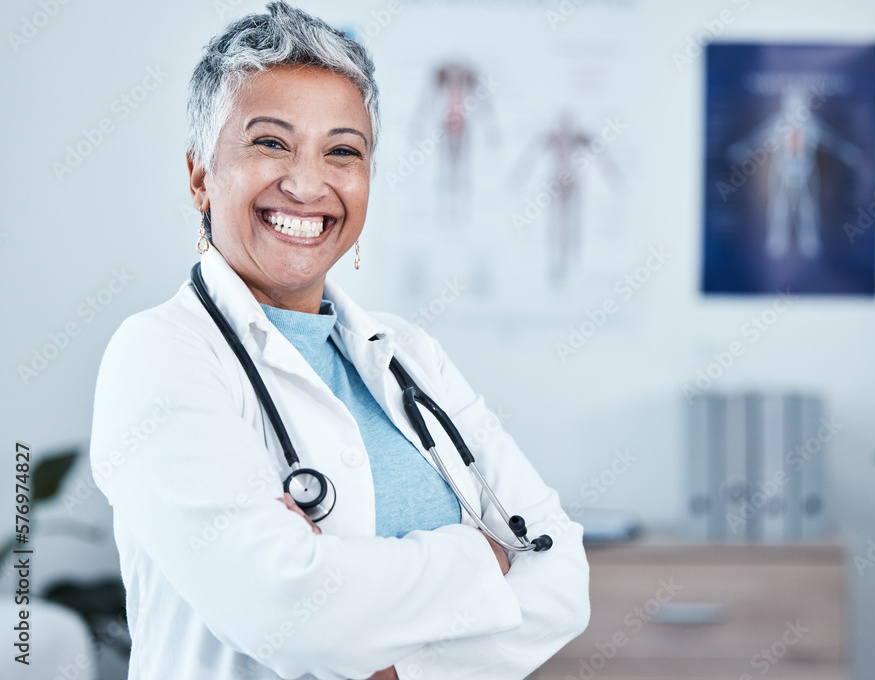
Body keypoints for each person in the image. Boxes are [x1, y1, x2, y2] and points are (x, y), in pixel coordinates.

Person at [89, 3, 590, 679]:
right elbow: (283, 609)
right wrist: (485, 556)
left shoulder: (410, 355)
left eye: (343, 151)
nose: (306, 183)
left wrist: (396, 669)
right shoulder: (158, 355)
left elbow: (561, 577)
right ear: (201, 175)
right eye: (270, 143)